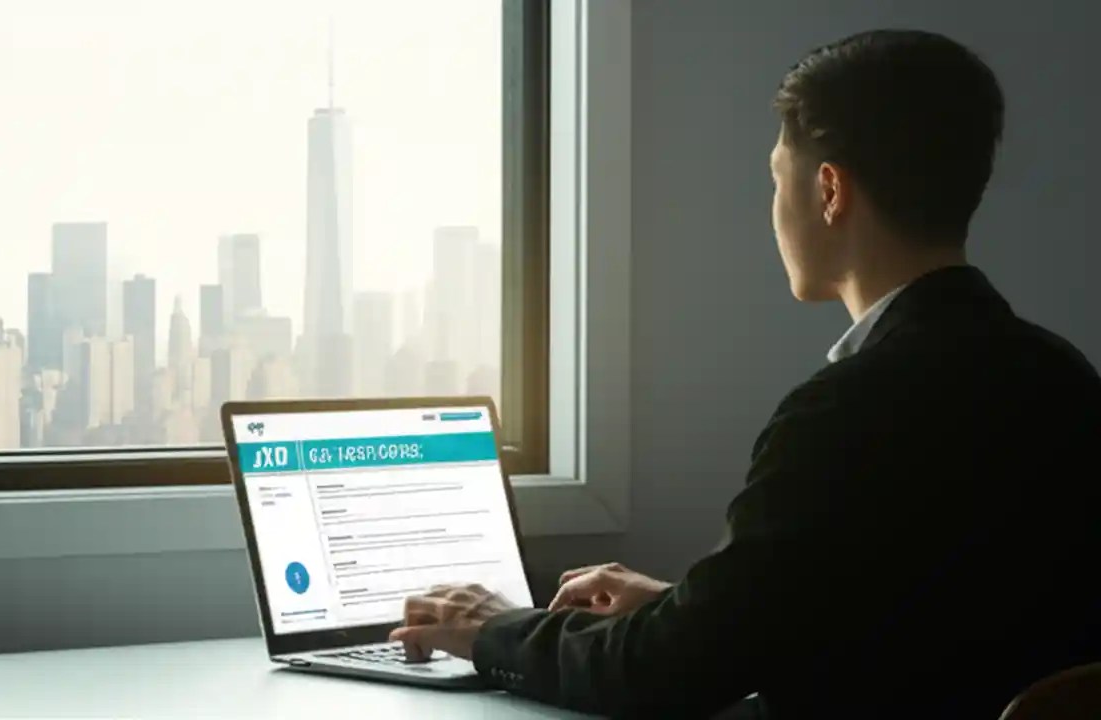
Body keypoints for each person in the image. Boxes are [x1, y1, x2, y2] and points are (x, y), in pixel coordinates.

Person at [389, 29, 1101, 719]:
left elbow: (660, 678)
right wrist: (691, 607)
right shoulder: (1062, 377)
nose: (773, 209)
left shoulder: (845, 413)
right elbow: (935, 622)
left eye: (775, 179)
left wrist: (492, 629)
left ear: (829, 191)